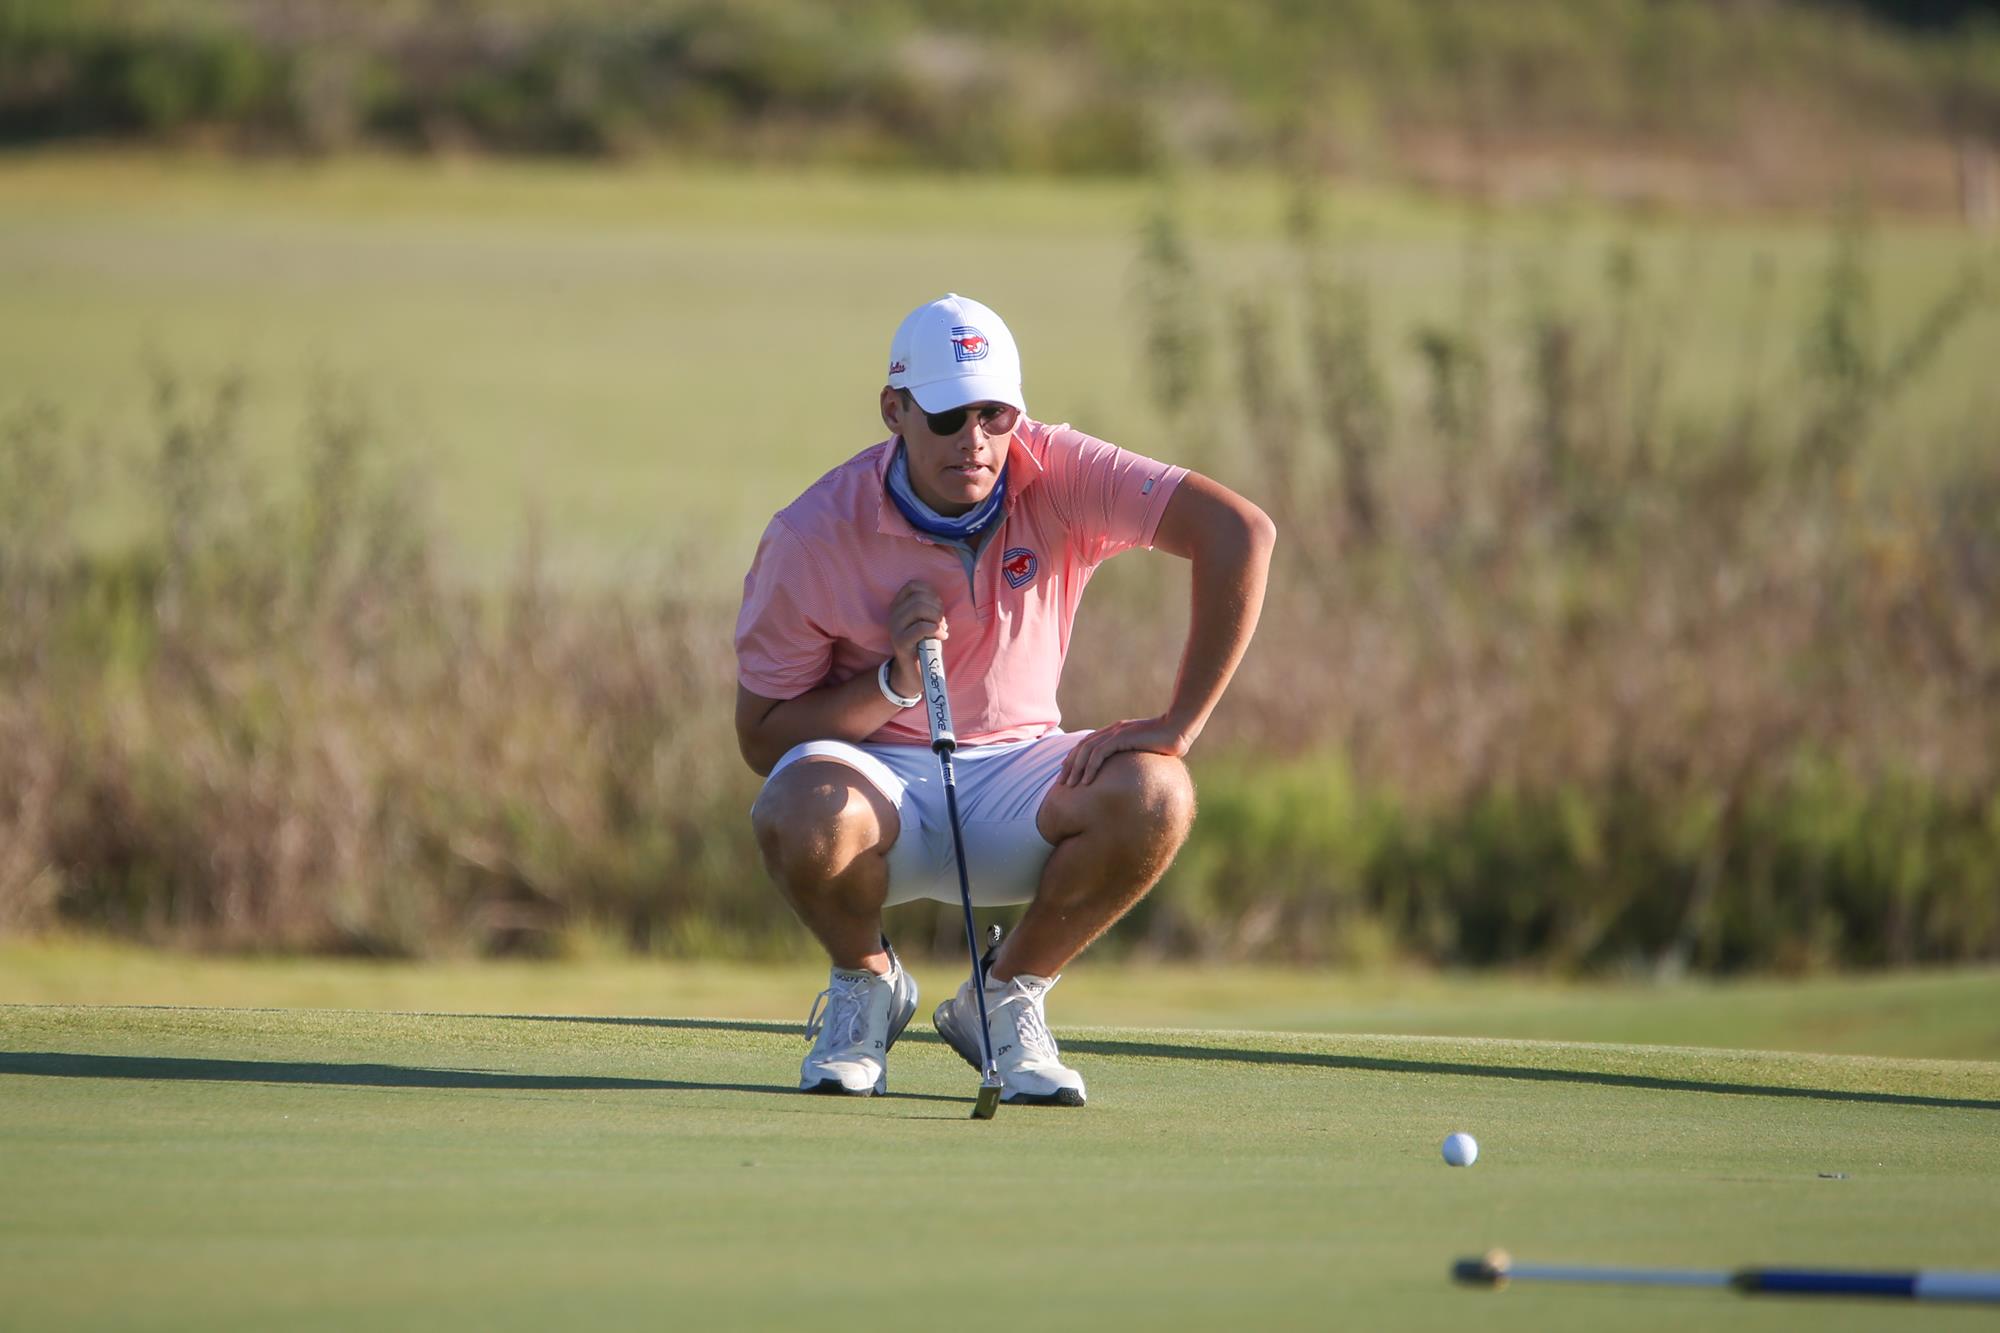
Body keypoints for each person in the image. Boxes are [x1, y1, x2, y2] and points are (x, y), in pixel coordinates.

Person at [734, 293, 1274, 1106]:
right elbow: (762, 739)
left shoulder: (1057, 469)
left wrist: (1178, 725)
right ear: (896, 410)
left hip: (1023, 773)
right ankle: (866, 985)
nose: (976, 441)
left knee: (1159, 791)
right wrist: (891, 683)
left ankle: (1004, 995)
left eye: (996, 414)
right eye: (949, 417)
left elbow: (1239, 532)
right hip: (873, 783)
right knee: (797, 811)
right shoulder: (814, 532)